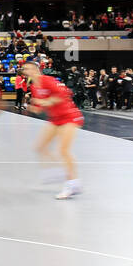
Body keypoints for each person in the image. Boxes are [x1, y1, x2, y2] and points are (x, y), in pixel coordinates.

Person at [21, 61, 84, 199]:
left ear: (37, 70)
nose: (26, 71)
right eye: (24, 69)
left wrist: (46, 102)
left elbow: (64, 94)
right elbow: (39, 109)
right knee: (40, 147)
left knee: (63, 150)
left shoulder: (48, 80)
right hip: (55, 119)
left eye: (29, 68)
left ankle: (71, 184)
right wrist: (32, 107)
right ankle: (59, 172)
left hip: (69, 116)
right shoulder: (34, 86)